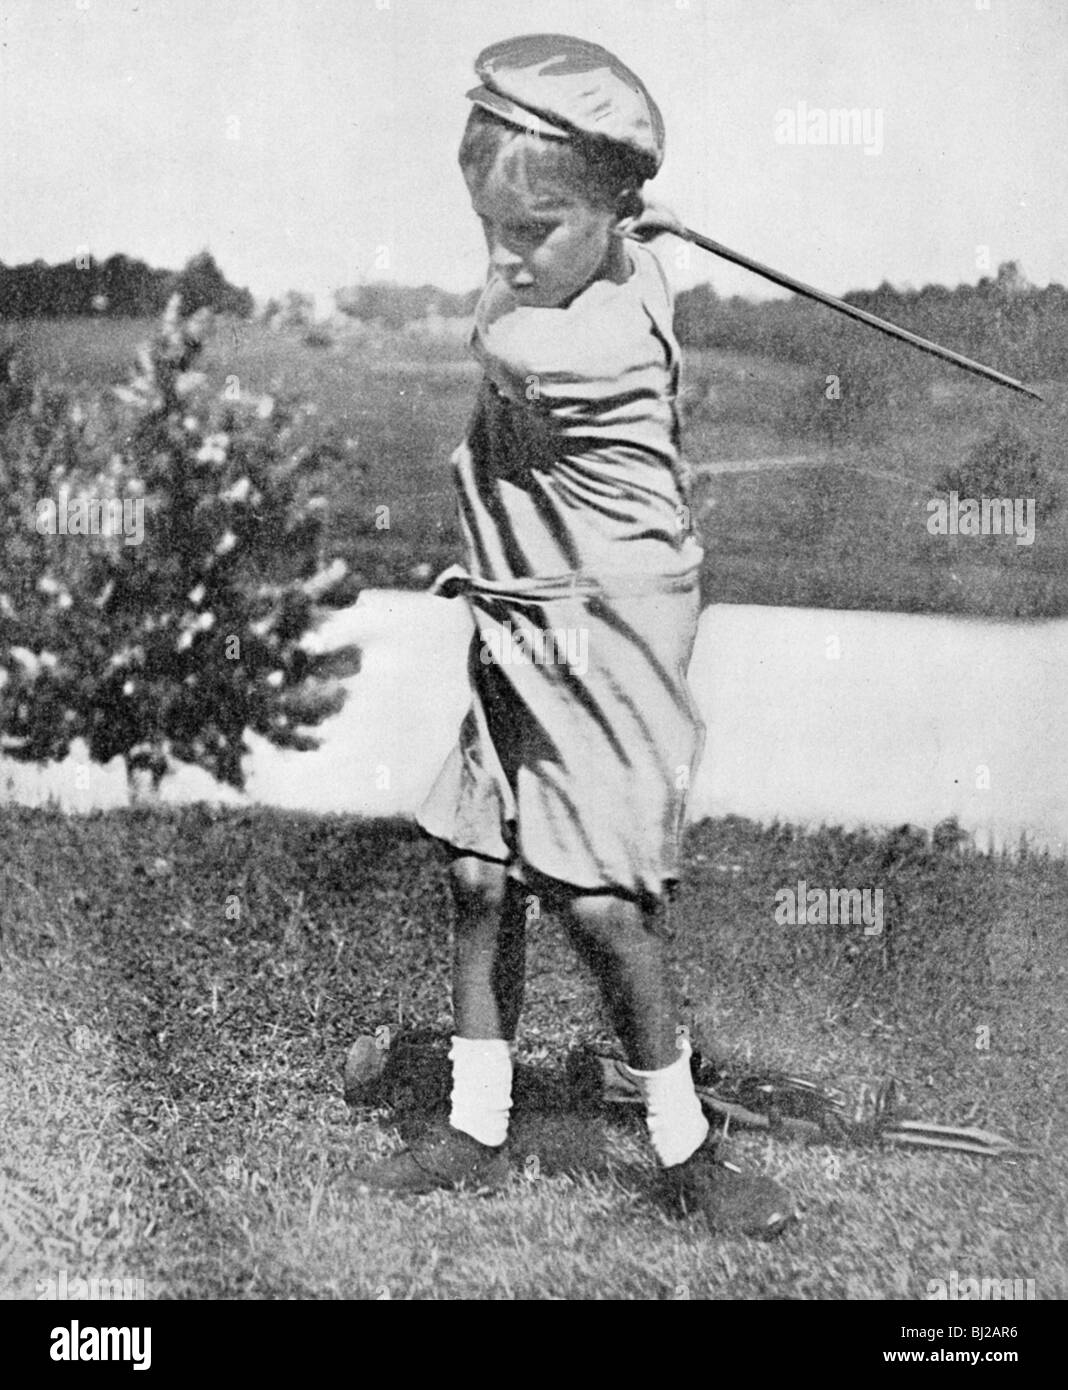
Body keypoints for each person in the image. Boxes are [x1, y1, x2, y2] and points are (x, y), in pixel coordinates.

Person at [356, 34, 793, 1239]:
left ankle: (685, 1147)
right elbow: (596, 253)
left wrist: (613, 228)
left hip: (610, 631)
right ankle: (476, 1125)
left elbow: (501, 329)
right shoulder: (632, 270)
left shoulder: (557, 339)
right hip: (525, 608)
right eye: (488, 225)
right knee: (479, 873)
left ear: (612, 207)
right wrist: (624, 226)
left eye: (535, 227)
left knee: (601, 907)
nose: (503, 255)